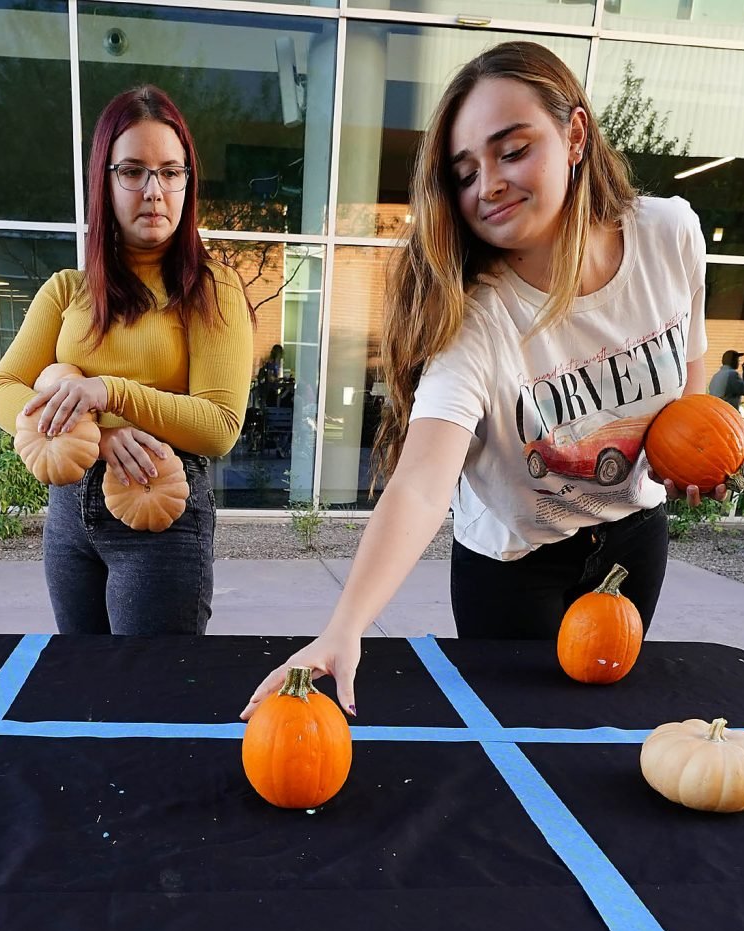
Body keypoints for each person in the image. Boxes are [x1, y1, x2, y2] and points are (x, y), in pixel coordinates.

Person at [241, 42, 711, 717]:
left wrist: (691, 453)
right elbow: (422, 482)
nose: (487, 185)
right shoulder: (475, 319)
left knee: (603, 721)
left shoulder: (670, 235)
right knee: (525, 735)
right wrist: (344, 627)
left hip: (634, 535)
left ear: (574, 135)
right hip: (514, 564)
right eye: (464, 173)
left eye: (512, 151)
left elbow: (689, 378)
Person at [0, 85, 252, 635]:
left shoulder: (212, 289)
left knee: (150, 681)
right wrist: (97, 434)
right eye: (133, 171)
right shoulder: (68, 289)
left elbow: (219, 427)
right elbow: (2, 389)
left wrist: (108, 391)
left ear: (187, 182)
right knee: (82, 675)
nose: (154, 191)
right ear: (104, 182)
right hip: (69, 512)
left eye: (170, 172)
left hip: (159, 504)